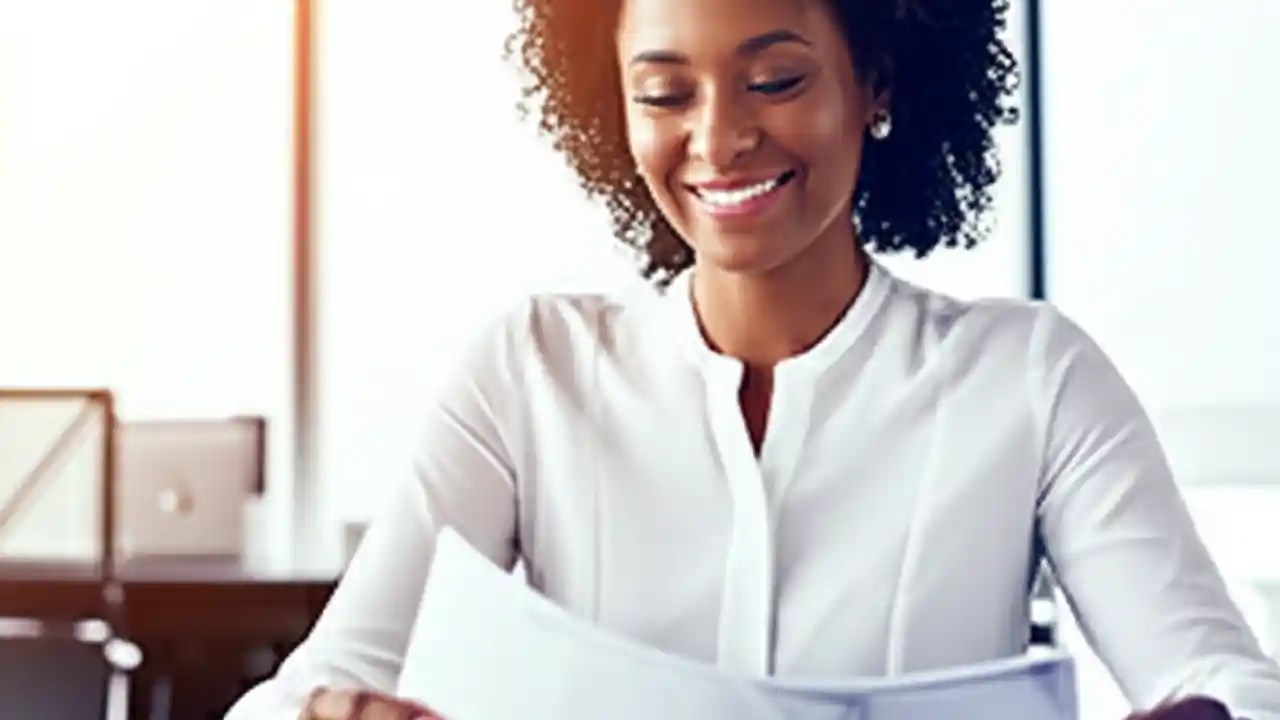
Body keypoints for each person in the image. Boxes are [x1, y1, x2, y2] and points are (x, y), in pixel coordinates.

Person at [228, 0, 1280, 718]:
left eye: (774, 79)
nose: (720, 137)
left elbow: (1223, 680)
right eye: (664, 94)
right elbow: (306, 689)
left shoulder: (1029, 379)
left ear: (873, 80)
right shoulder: (528, 372)